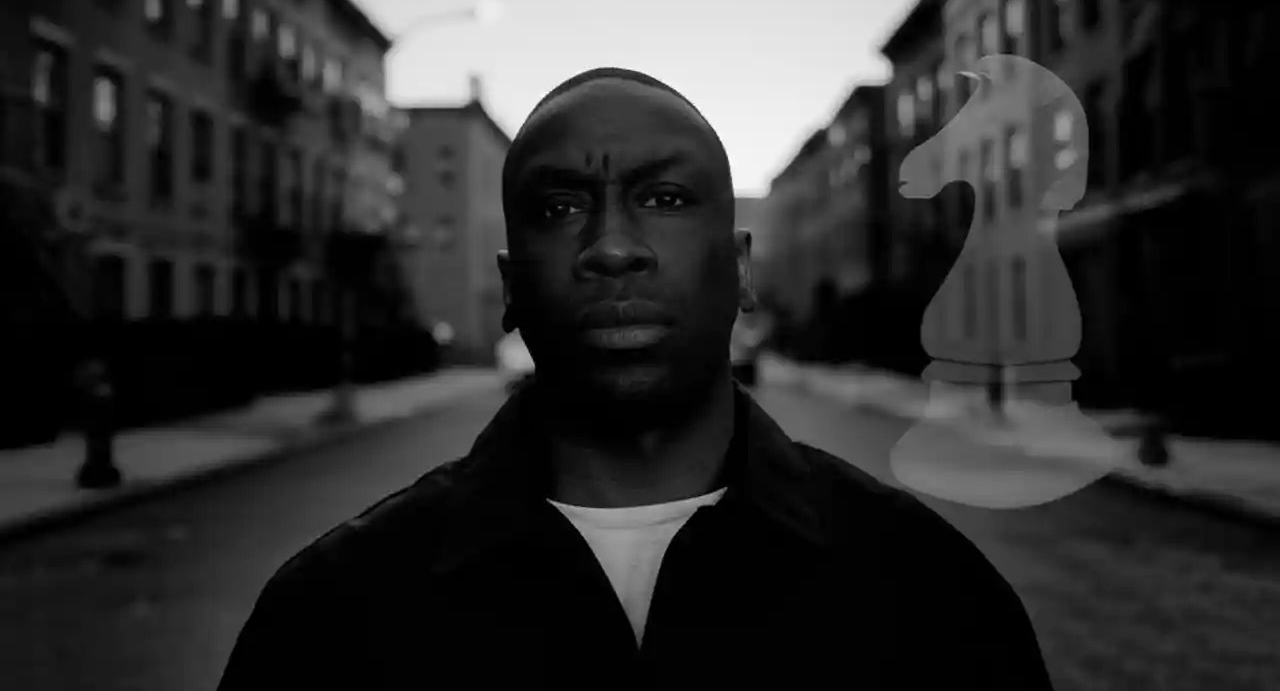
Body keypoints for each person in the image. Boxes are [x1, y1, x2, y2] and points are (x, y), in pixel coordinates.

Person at [218, 67, 1054, 690]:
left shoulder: (930, 597)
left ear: (740, 270)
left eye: (662, 198)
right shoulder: (332, 618)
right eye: (558, 208)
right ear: (511, 288)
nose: (612, 246)